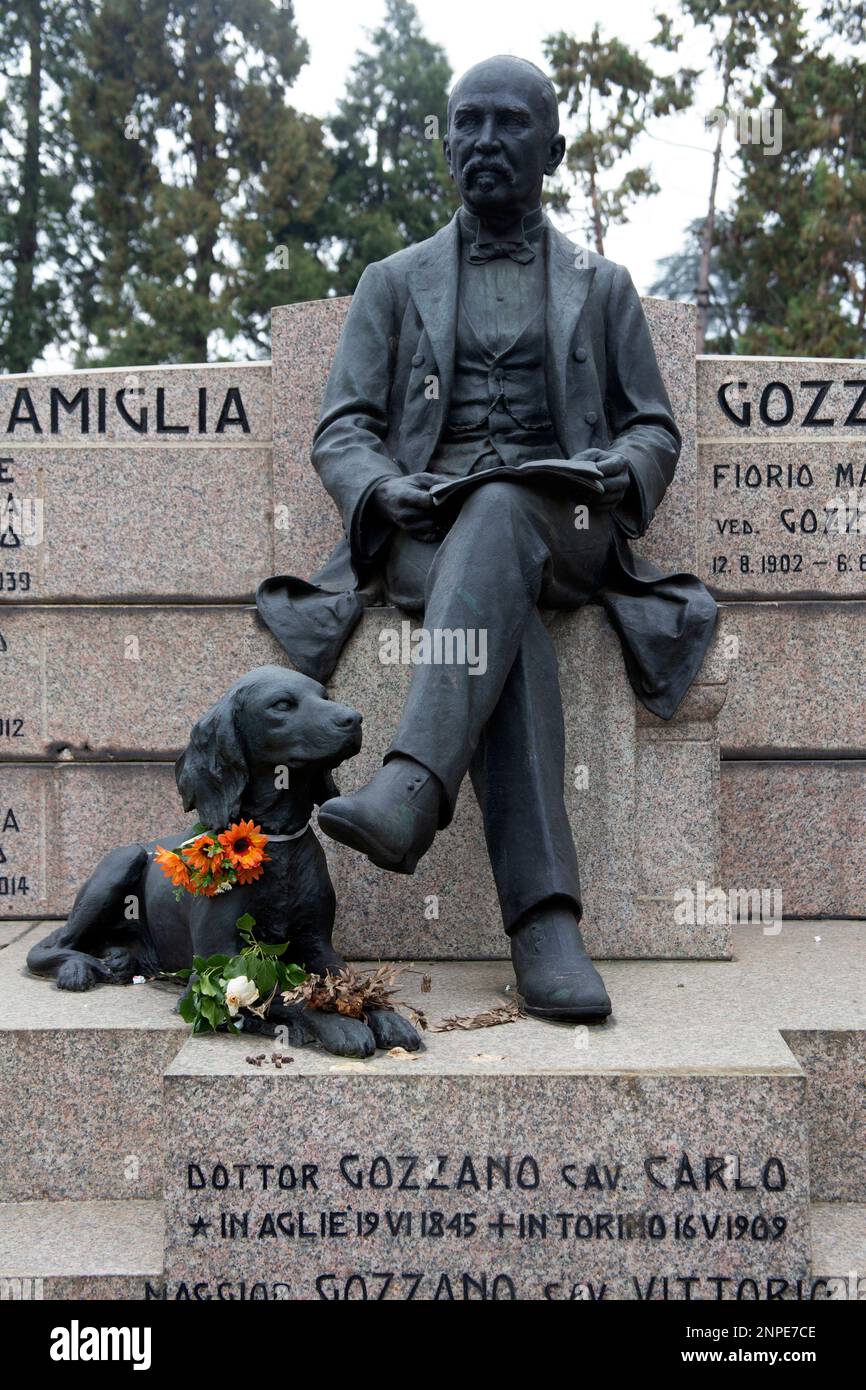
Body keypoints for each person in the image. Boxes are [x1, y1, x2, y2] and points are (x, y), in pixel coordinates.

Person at [257, 55, 718, 1020]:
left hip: (568, 525)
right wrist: (384, 490)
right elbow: (342, 429)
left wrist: (616, 472)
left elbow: (653, 427)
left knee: (507, 508)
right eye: (466, 123)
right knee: (505, 628)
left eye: (508, 125)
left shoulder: (602, 286)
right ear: (444, 143)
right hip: (429, 533)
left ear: (551, 148)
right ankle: (545, 924)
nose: (483, 143)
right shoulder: (393, 283)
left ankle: (412, 785)